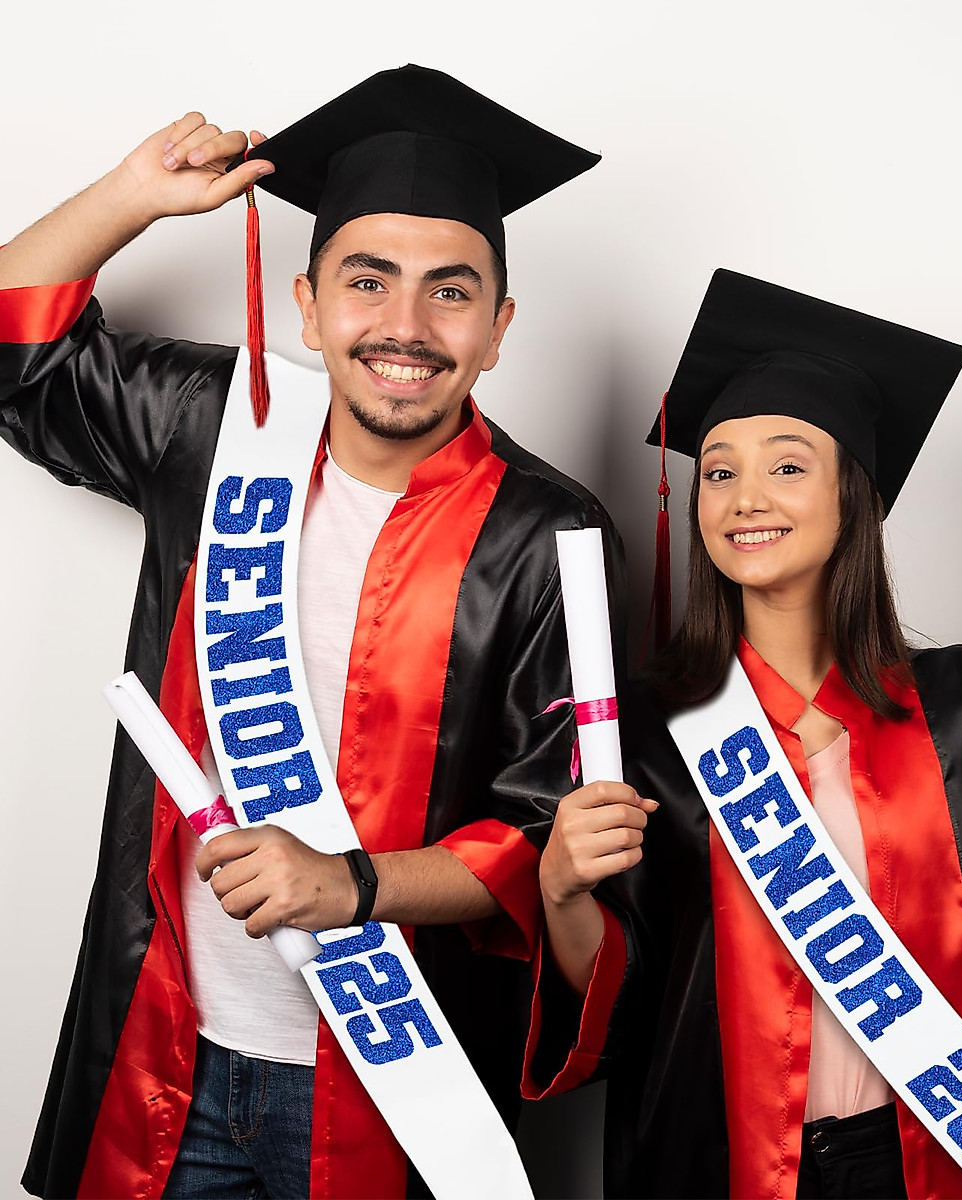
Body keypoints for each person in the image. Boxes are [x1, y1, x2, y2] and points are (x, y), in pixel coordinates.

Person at [0, 65, 621, 1199]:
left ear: (498, 329)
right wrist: (131, 195)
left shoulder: (548, 534)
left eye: (449, 292)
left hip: (389, 1080)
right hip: (166, 1046)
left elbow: (549, 837)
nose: (404, 327)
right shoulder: (213, 428)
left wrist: (352, 886)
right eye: (367, 280)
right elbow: (12, 346)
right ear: (306, 302)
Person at [525, 268, 962, 1199]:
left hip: (951, 1164)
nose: (744, 497)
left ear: (856, 496)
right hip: (742, 1170)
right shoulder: (648, 740)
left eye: (787, 466)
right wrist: (561, 891)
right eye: (718, 471)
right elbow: (626, 1001)